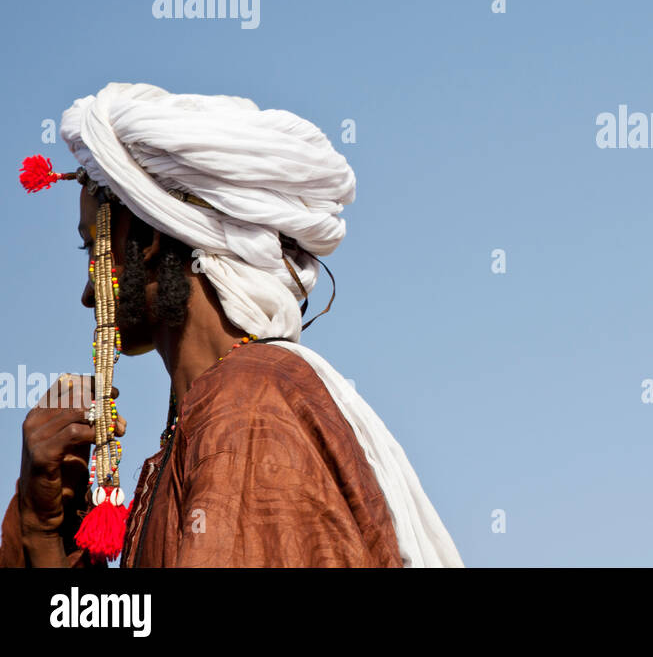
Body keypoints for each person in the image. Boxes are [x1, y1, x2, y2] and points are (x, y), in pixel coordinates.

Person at [1, 82, 464, 567]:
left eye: (92, 248)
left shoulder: (247, 406)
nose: (86, 295)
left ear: (148, 237)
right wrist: (41, 526)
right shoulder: (217, 411)